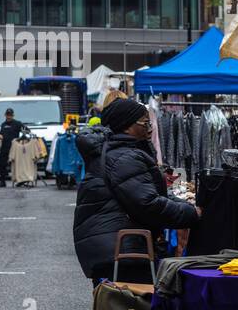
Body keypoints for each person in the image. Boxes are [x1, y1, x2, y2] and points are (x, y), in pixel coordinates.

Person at [73, 98, 201, 285]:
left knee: (117, 306)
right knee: (132, 309)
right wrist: (192, 213)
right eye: (145, 123)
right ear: (127, 126)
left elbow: (150, 193)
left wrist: (185, 205)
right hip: (121, 249)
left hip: (110, 245)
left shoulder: (118, 152)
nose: (150, 128)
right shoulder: (124, 157)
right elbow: (147, 204)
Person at [0, 108, 24, 187]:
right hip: (5, 147)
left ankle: (21, 180)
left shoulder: (17, 123)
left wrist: (20, 139)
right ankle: (2, 181)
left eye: (10, 115)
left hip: (15, 147)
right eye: (8, 115)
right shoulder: (3, 124)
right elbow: (1, 134)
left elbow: (25, 131)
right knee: (1, 163)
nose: (9, 116)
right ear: (5, 115)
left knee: (18, 164)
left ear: (13, 115)